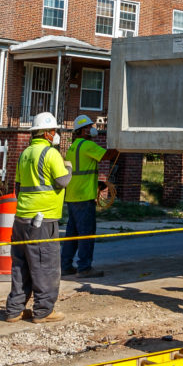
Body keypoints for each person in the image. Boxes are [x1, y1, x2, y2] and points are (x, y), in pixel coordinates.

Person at [5, 112, 72, 323]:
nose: (56, 134)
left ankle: (14, 310)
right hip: (43, 219)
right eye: (54, 131)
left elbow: (17, 187)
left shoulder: (24, 154)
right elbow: (63, 181)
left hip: (21, 218)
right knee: (46, 266)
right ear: (47, 133)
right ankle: (43, 311)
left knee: (21, 266)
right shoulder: (51, 154)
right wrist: (69, 167)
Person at [61, 116, 118, 278]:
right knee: (87, 233)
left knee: (72, 234)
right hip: (84, 197)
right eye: (88, 127)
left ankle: (65, 266)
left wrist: (97, 184)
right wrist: (121, 143)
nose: (92, 129)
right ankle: (84, 268)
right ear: (81, 131)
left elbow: (82, 170)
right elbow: (108, 155)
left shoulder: (73, 147)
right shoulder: (87, 145)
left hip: (73, 195)